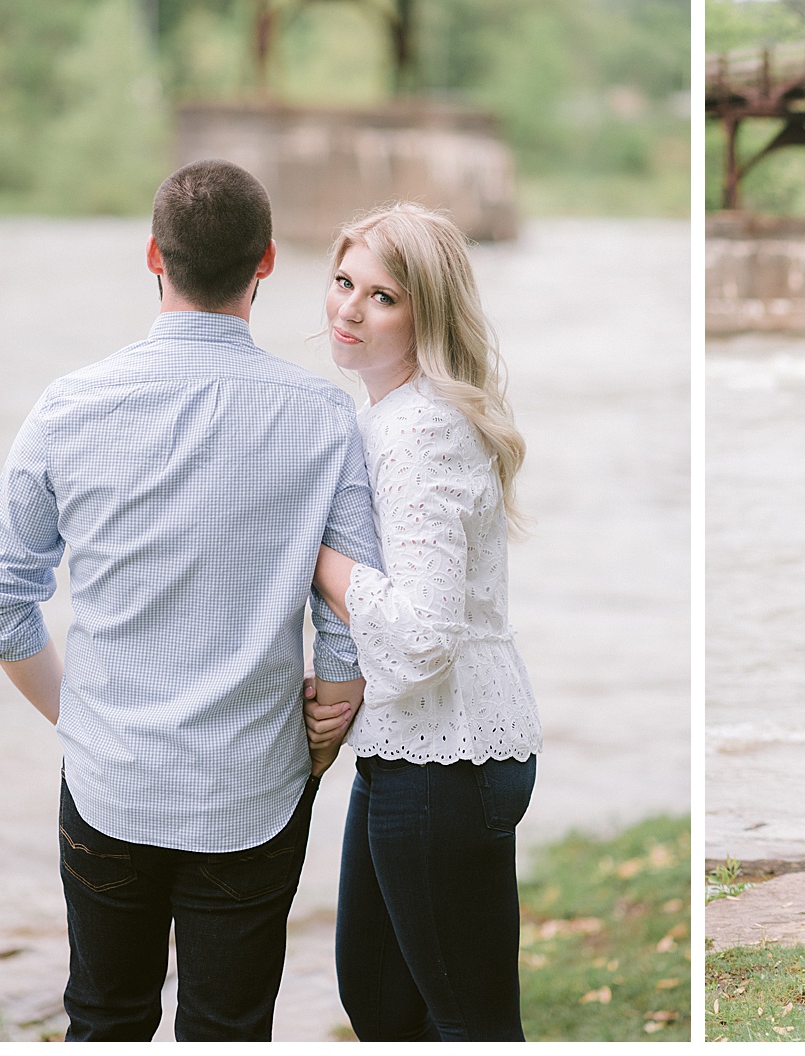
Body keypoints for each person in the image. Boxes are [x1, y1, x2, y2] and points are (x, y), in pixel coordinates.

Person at [0, 159, 382, 1041]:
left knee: (104, 1018)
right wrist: (329, 716)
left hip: (108, 780)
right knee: (230, 1029)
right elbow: (350, 611)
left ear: (154, 254)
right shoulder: (324, 417)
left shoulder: (68, 407)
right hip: (254, 784)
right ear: (267, 262)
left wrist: (79, 717)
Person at [300, 202, 543, 1041]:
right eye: (344, 282)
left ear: (426, 315)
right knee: (380, 1004)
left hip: (452, 758)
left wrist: (313, 553)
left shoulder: (419, 432)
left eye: (382, 297)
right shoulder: (389, 416)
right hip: (412, 746)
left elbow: (423, 633)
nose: (349, 310)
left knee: (470, 1025)